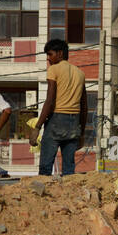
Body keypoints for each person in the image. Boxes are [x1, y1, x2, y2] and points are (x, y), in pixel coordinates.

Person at [32, 38, 87, 176]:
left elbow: (50, 101)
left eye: (50, 54)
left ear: (60, 53)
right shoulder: (80, 73)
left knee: (45, 168)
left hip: (57, 120)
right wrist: (82, 133)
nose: (48, 59)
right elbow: (84, 106)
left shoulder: (54, 69)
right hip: (74, 123)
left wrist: (37, 127)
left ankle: (42, 197)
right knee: (69, 170)